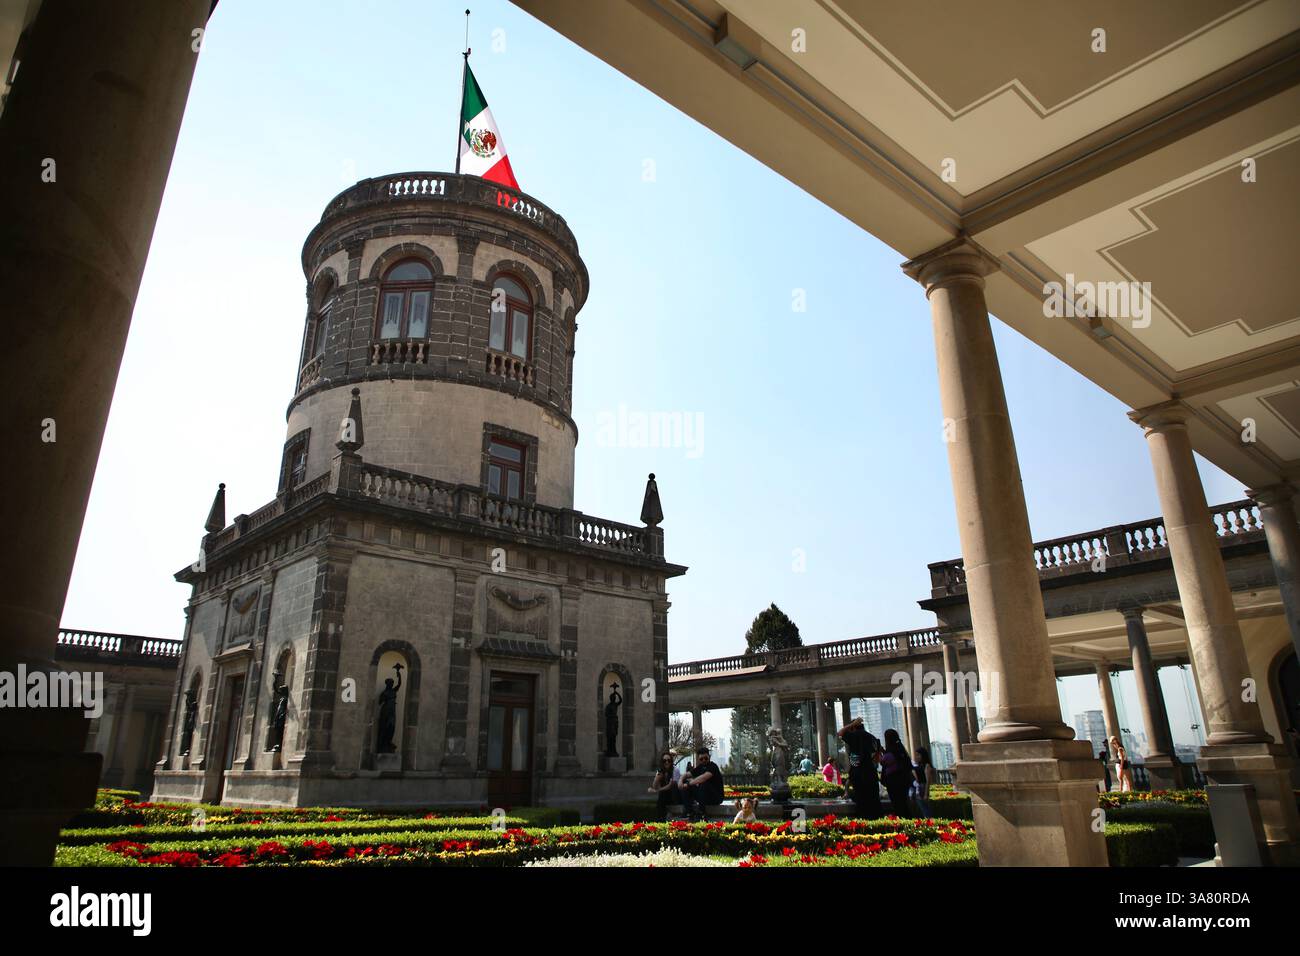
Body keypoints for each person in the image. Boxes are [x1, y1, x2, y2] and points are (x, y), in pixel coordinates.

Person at [836, 716, 882, 819]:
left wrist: (852, 724)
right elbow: (877, 759)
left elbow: (840, 733)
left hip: (858, 773)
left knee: (861, 801)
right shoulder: (873, 738)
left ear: (853, 728)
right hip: (871, 772)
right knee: (874, 800)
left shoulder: (854, 736)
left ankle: (864, 823)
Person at [680, 747, 725, 821]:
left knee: (703, 783)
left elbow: (704, 777)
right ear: (699, 759)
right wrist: (681, 780)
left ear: (709, 757)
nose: (704, 760)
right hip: (705, 797)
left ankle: (702, 813)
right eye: (701, 759)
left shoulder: (713, 766)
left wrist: (688, 784)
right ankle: (689, 812)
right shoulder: (700, 767)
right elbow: (687, 774)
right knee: (686, 785)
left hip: (716, 797)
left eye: (705, 758)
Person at [880, 729, 913, 816]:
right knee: (903, 803)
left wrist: (880, 753)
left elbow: (883, 761)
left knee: (897, 804)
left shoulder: (890, 752)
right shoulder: (900, 749)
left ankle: (902, 821)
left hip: (893, 782)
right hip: (904, 781)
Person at [648, 750, 681, 820]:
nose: (667, 762)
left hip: (675, 795)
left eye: (669, 760)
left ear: (671, 761)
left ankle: (661, 818)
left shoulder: (675, 770)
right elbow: (654, 785)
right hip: (665, 795)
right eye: (664, 761)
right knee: (662, 795)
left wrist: (655, 790)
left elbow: (670, 786)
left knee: (663, 793)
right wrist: (658, 776)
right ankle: (661, 818)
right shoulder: (660, 771)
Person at [911, 747, 931, 817]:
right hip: (918, 787)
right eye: (916, 755)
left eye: (918, 755)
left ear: (923, 755)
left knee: (925, 808)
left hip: (923, 787)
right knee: (921, 808)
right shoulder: (919, 765)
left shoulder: (927, 765)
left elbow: (928, 780)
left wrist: (926, 794)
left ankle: (929, 822)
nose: (917, 757)